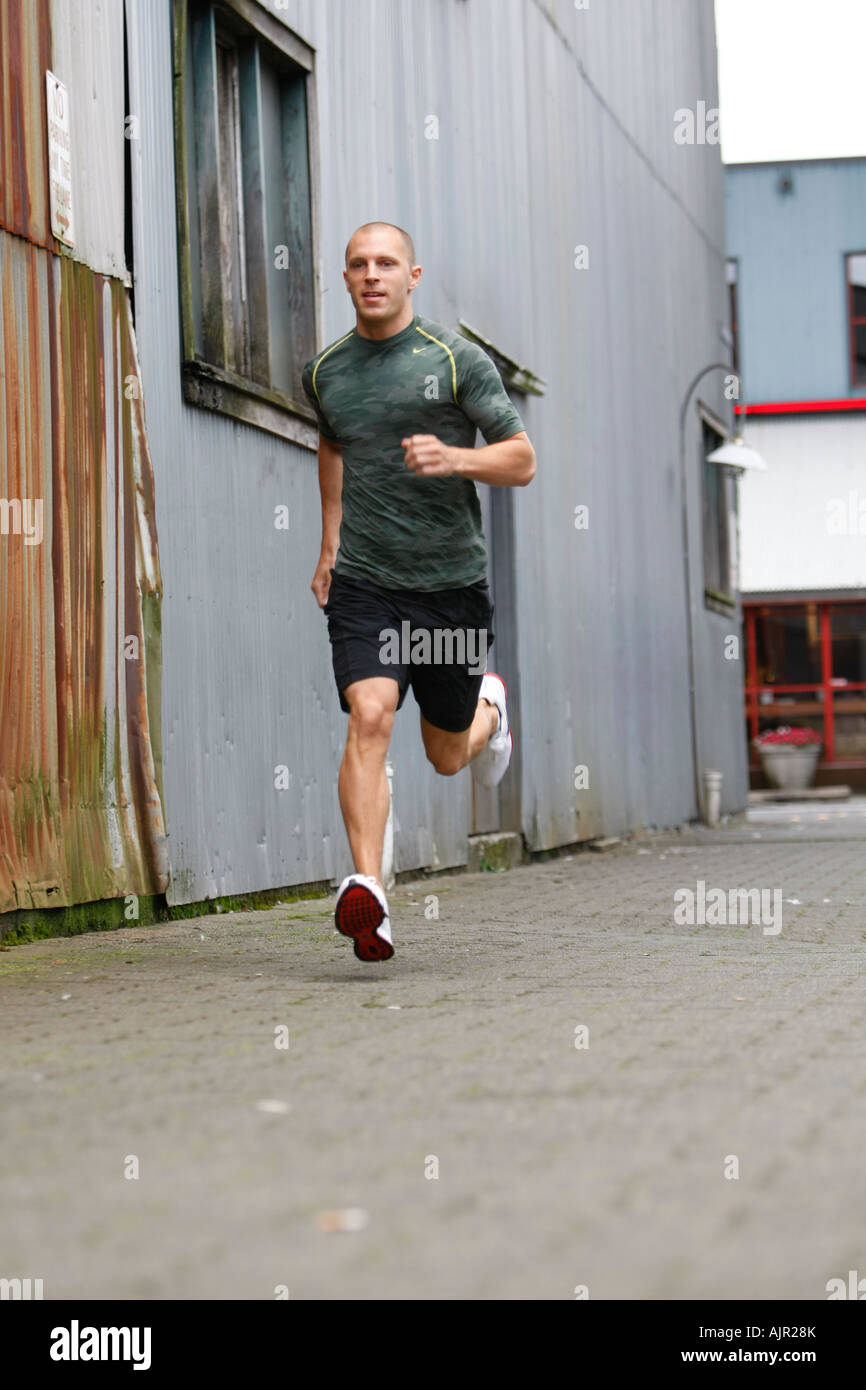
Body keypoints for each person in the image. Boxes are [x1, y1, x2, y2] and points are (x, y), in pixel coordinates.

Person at [302, 222, 536, 962]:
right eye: (358, 265)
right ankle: (368, 891)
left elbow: (523, 460)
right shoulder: (326, 372)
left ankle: (489, 712)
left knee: (442, 753)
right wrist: (330, 543)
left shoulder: (454, 359)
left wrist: (458, 457)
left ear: (413, 275)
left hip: (449, 587)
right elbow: (335, 441)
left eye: (386, 264)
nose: (372, 275)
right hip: (367, 582)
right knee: (369, 715)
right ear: (345, 279)